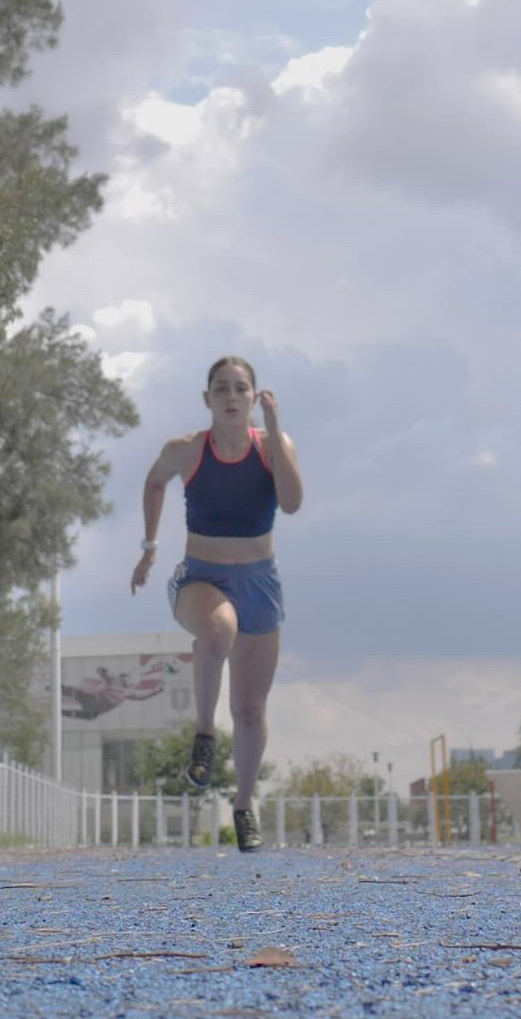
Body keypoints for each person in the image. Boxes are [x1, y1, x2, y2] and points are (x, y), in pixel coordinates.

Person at [130, 356, 303, 852]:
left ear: (254, 398)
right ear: (207, 399)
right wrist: (148, 548)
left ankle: (244, 805)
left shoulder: (273, 447)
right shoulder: (186, 450)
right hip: (200, 577)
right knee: (217, 629)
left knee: (250, 710)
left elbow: (291, 504)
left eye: (240, 388)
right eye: (221, 388)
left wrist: (274, 432)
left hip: (260, 582)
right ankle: (205, 732)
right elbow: (153, 480)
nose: (231, 396)